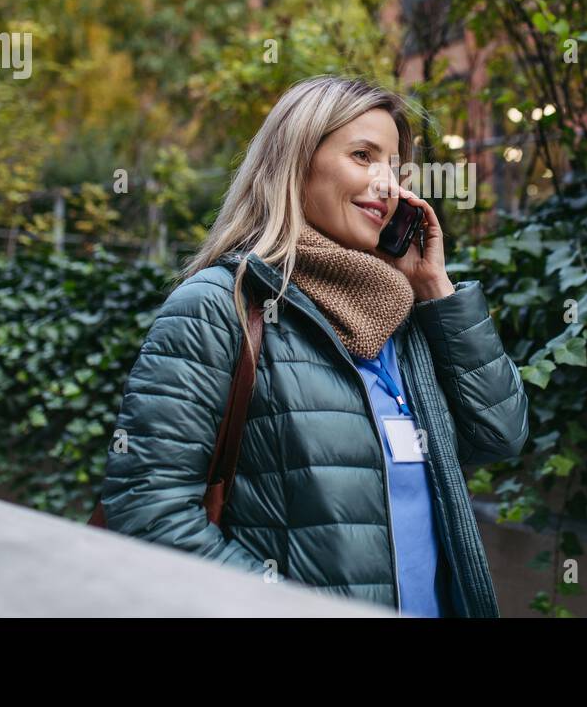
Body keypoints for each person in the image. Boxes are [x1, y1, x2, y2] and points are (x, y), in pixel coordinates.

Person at [99, 74, 530, 617]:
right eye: (363, 156)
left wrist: (436, 291)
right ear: (295, 162)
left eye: (394, 166)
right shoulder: (220, 305)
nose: (387, 184)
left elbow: (501, 435)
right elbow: (146, 513)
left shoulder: (404, 316)